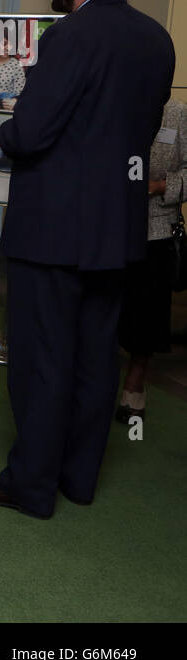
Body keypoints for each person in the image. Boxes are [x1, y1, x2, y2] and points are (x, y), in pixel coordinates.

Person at [0, 0, 175, 518]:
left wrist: (5, 131)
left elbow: (31, 132)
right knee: (93, 357)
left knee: (42, 359)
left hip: (54, 229)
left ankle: (31, 486)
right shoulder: (158, 40)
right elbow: (140, 132)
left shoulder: (70, 36)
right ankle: (79, 480)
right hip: (117, 229)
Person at [116, 99, 187, 423]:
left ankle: (135, 385)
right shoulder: (111, 102)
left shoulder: (177, 112)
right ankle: (94, 384)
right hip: (107, 225)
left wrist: (161, 186)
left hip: (156, 226)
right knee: (104, 308)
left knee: (147, 312)